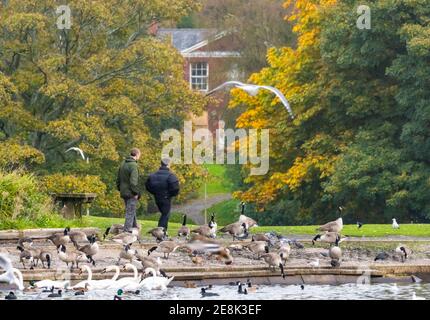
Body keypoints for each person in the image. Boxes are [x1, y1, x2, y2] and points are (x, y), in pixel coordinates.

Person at [145, 159, 180, 234]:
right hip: (166, 197)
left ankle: (162, 232)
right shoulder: (170, 176)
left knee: (164, 213)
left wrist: (154, 193)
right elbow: (175, 188)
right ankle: (161, 232)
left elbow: (147, 186)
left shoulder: (153, 175)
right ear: (168, 165)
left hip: (157, 197)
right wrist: (170, 195)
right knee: (165, 214)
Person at [116, 148, 141, 232]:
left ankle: (135, 230)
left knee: (131, 210)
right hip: (131, 193)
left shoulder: (123, 163)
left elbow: (118, 179)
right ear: (137, 155)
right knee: (130, 213)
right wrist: (136, 193)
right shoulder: (134, 165)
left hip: (124, 192)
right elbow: (133, 182)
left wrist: (120, 189)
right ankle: (126, 233)